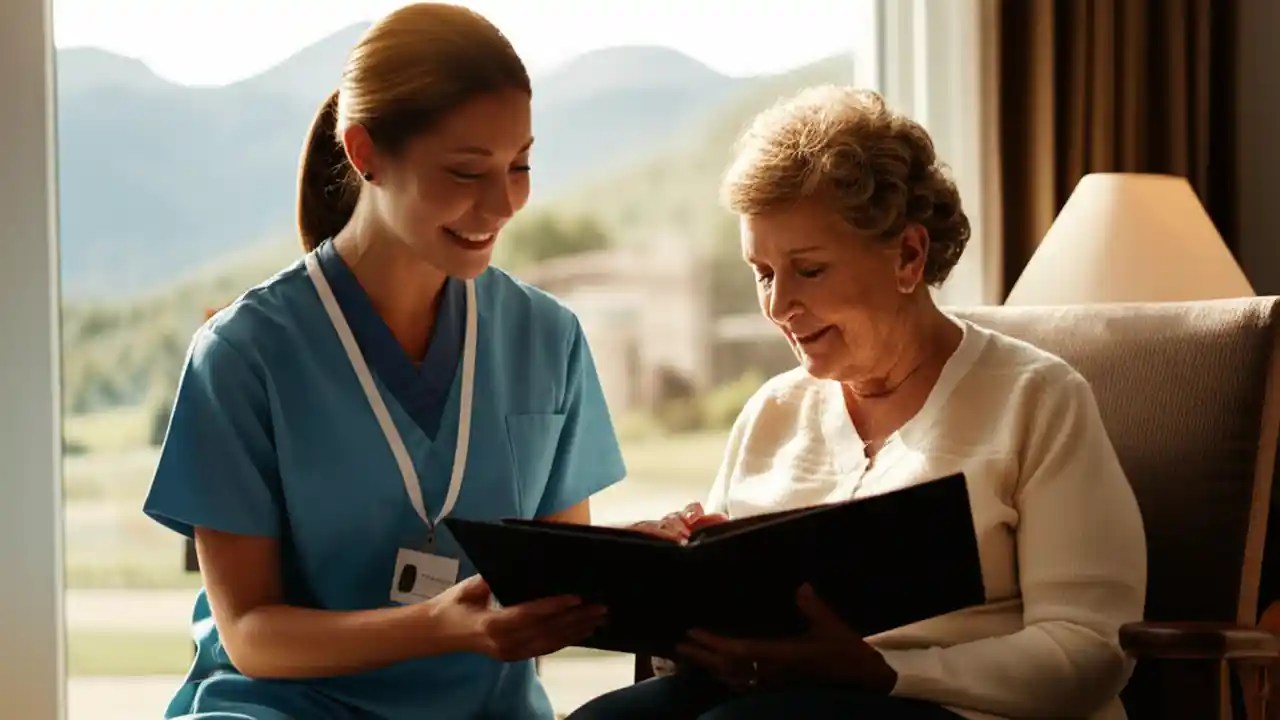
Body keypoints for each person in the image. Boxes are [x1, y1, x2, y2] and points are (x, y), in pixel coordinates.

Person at [570, 86, 1147, 720]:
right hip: (773, 697)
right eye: (763, 272)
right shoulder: (774, 412)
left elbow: (1090, 648)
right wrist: (671, 602)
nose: (778, 305)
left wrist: (881, 670)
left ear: (907, 255)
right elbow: (721, 625)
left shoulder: (1037, 399)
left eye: (809, 270)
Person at [142, 4, 627, 718]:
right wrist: (435, 626)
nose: (504, 203)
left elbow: (549, 600)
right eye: (466, 171)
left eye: (520, 164)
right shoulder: (245, 355)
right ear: (365, 154)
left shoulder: (546, 337)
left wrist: (645, 566)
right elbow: (250, 634)